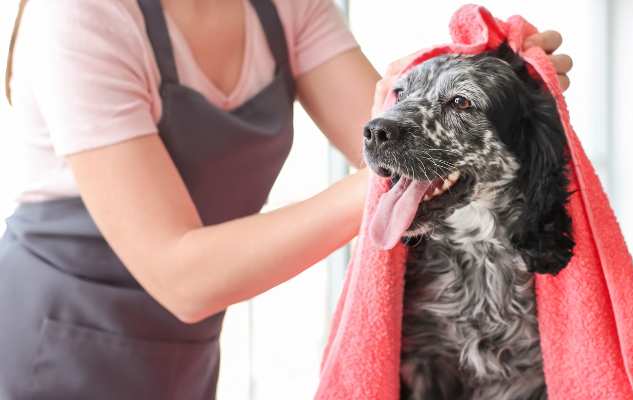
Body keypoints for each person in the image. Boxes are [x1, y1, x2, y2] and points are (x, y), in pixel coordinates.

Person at [0, 0, 573, 398]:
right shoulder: (76, 17)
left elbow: (381, 129)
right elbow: (181, 277)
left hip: (184, 353)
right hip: (54, 346)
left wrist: (497, 93)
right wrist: (403, 185)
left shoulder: (283, 8)